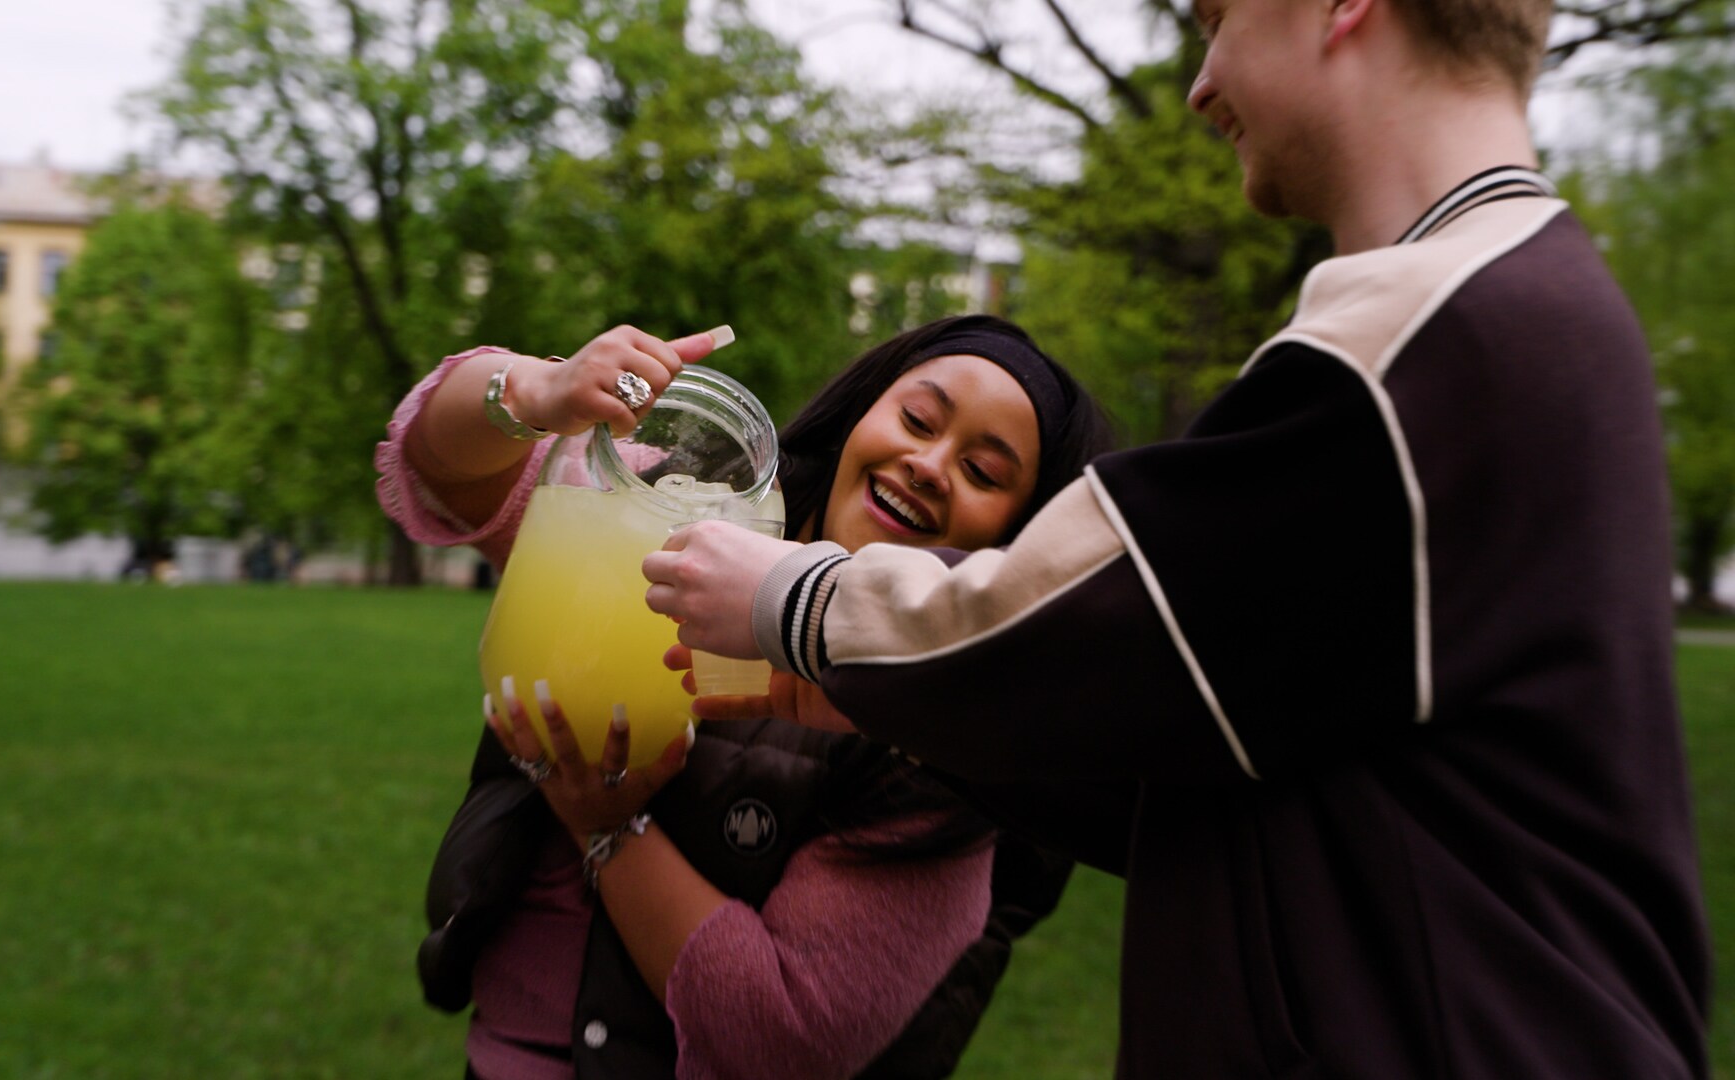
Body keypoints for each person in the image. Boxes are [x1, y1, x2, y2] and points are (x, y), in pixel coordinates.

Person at [642, 0, 1714, 1075]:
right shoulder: (1534, 314)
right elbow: (1212, 767)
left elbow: (1096, 613)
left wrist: (795, 598)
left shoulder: (1435, 335)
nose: (1202, 86)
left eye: (1215, 18)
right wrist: (887, 703)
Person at [375, 315, 1114, 1079]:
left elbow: (788, 1037)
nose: (928, 464)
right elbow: (436, 468)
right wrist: (533, 389)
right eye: (917, 419)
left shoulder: (948, 735)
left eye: (985, 473)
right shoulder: (679, 507)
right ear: (863, 413)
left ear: (1014, 548)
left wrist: (608, 826)